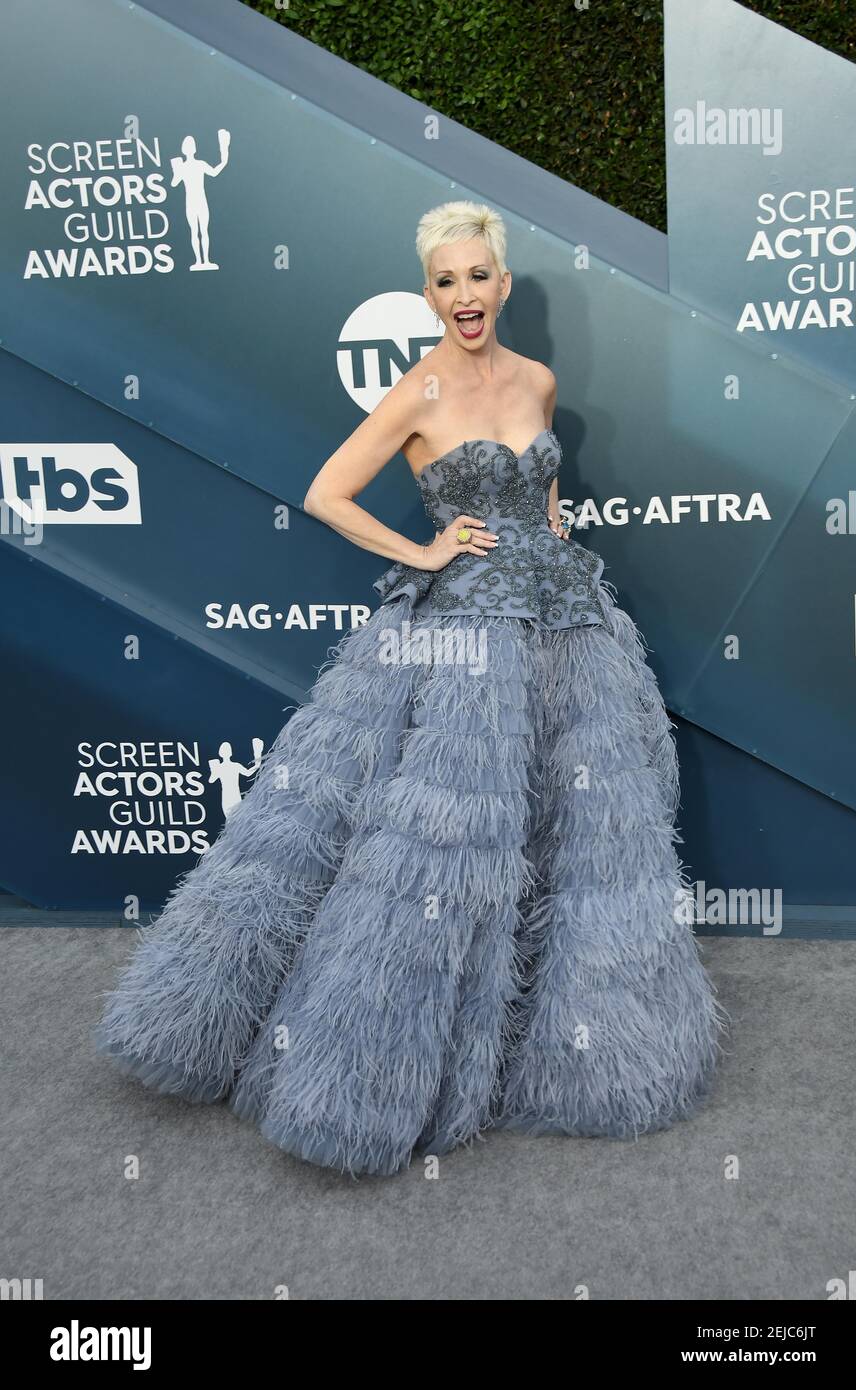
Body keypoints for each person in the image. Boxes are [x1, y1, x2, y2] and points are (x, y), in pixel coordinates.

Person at [94, 200, 729, 1177]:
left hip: (567, 627)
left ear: (502, 283)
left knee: (576, 835)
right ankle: (368, 1076)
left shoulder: (537, 380)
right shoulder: (419, 386)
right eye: (444, 280)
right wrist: (424, 551)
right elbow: (326, 492)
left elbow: (541, 485)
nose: (463, 295)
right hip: (465, 637)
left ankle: (566, 1051)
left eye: (477, 276)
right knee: (443, 843)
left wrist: (550, 534)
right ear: (428, 291)